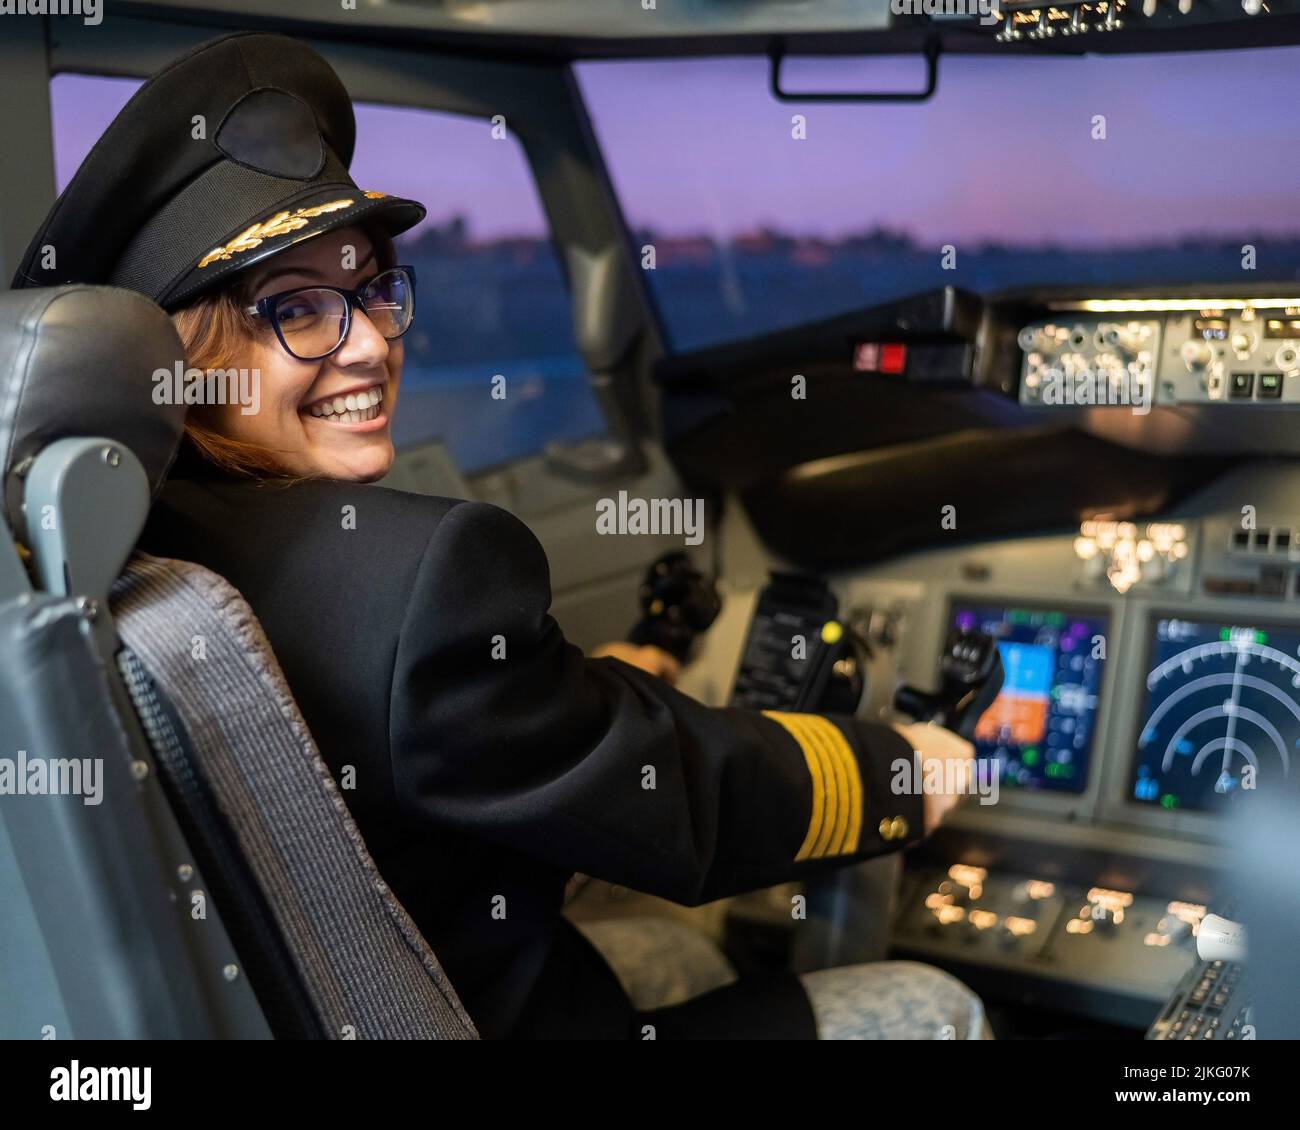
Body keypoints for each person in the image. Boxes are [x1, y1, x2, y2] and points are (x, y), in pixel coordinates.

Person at [14, 31, 987, 1040]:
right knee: (932, 1004)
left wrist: (596, 682)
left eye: (372, 290)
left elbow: (454, 748)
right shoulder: (415, 575)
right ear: (189, 355)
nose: (370, 344)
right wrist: (898, 767)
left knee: (679, 953)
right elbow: (688, 799)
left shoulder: (113, 550)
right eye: (296, 309)